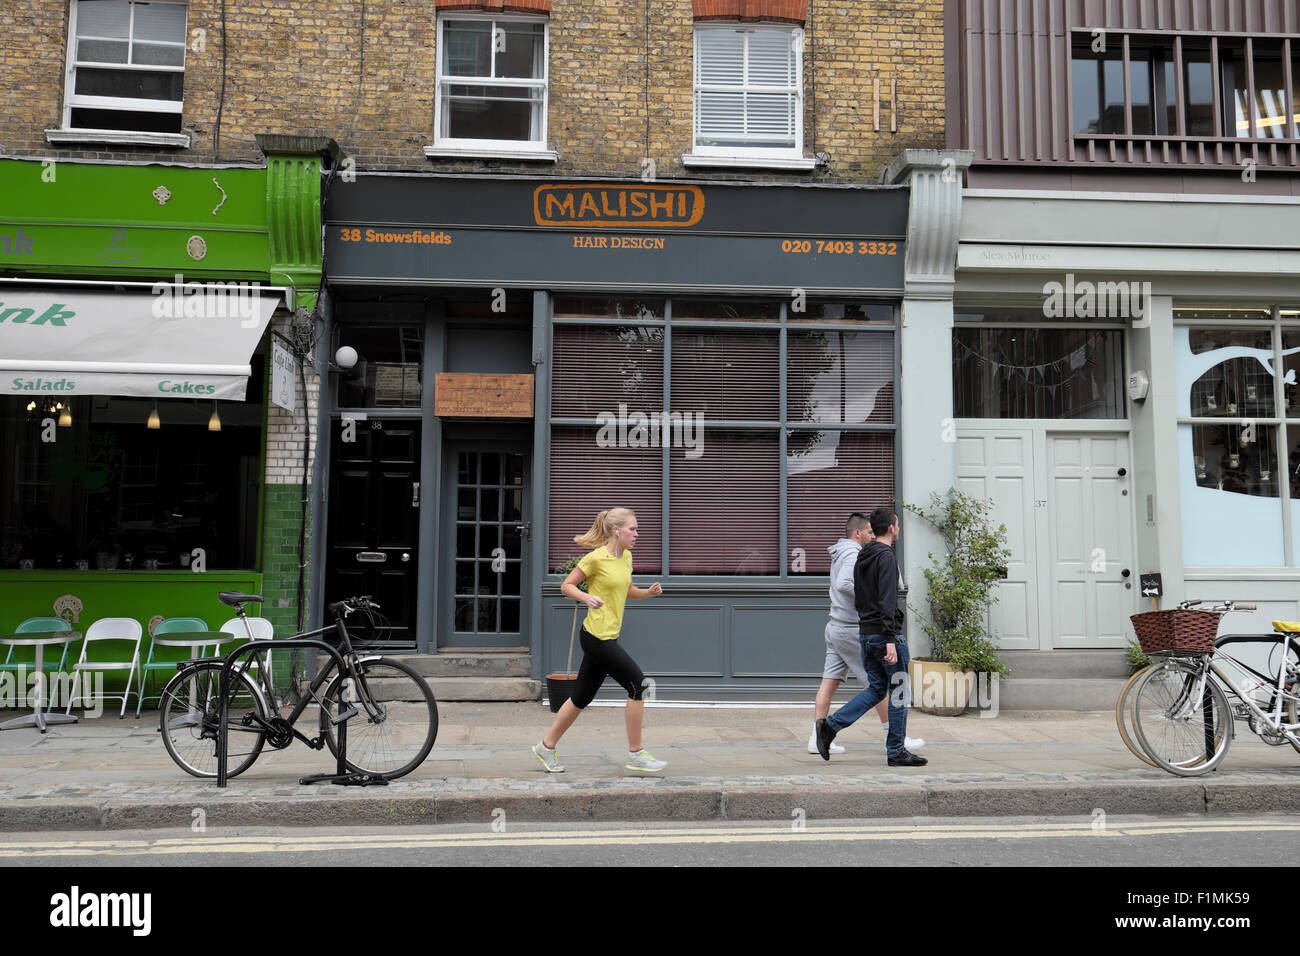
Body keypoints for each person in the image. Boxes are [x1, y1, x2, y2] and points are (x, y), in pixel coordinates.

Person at [533, 508, 666, 774]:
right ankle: (636, 753)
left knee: (581, 698)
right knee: (638, 686)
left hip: (608, 636)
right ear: (617, 530)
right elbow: (567, 586)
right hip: (596, 637)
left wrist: (648, 593)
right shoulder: (596, 558)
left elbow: (627, 591)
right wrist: (587, 598)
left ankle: (546, 747)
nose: (637, 535)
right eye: (633, 529)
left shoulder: (626, 557)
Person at [815, 507, 927, 767]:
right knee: (899, 691)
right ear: (891, 528)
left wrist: (871, 630)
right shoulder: (885, 556)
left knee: (877, 688)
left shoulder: (863, 554)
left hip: (866, 633)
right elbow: (887, 599)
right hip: (884, 635)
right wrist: (889, 637)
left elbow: (863, 597)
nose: (898, 528)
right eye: (897, 524)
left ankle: (829, 727)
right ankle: (896, 751)